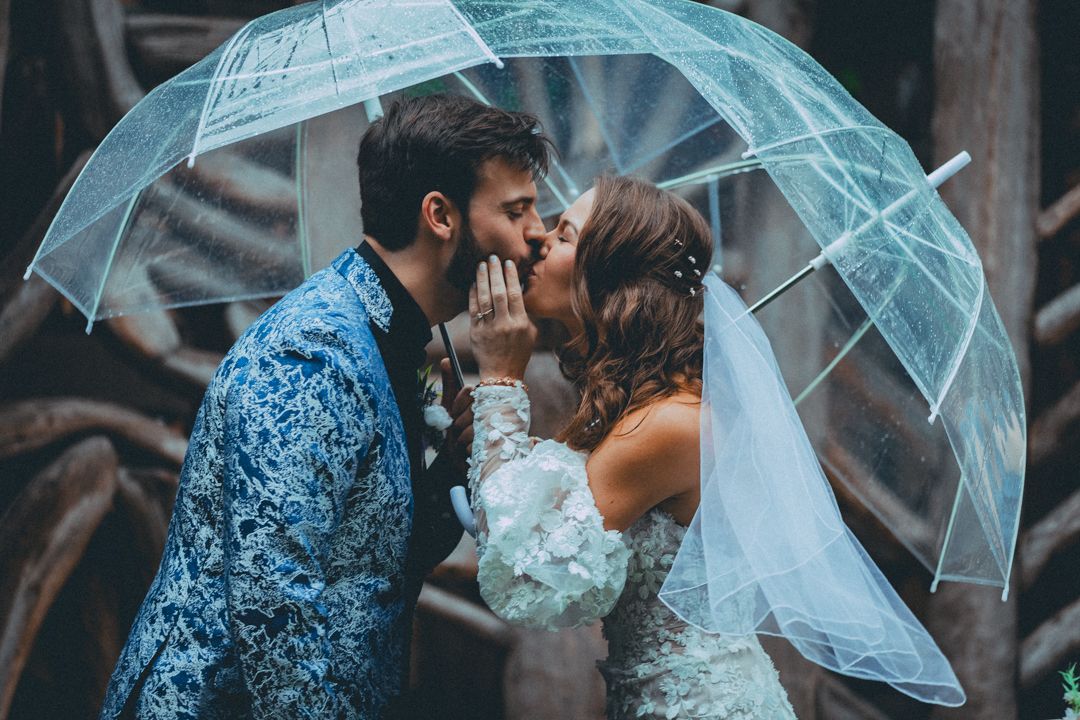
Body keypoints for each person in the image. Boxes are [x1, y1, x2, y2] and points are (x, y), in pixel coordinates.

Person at [99, 93, 553, 719]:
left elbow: (375, 562)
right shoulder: (312, 352)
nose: (538, 231)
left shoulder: (394, 337)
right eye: (516, 209)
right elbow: (272, 597)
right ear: (440, 215)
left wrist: (451, 464)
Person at [464, 175, 964, 719]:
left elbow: (527, 576)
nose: (540, 242)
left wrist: (499, 380)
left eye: (565, 235)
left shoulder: (667, 425)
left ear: (609, 277)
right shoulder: (640, 410)